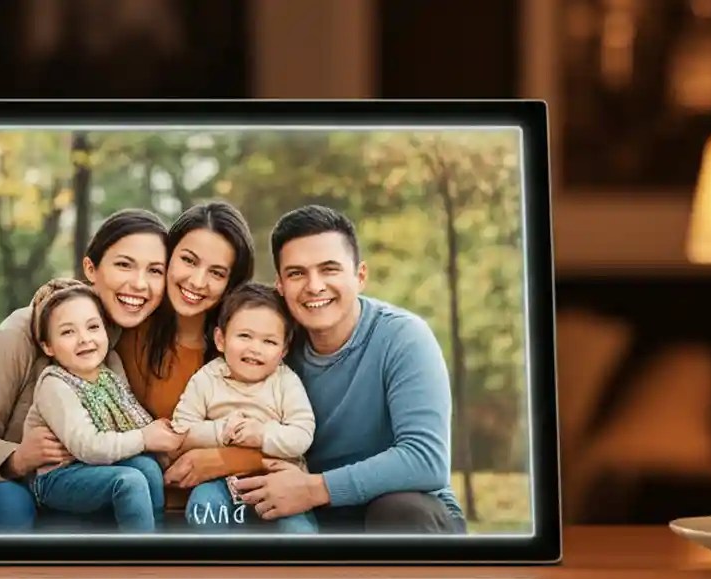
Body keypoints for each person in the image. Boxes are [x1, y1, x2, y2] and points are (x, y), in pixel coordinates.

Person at [232, 205, 467, 534]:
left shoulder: (403, 337)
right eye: (297, 273)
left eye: (329, 269)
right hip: (308, 514)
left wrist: (314, 489)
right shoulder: (271, 345)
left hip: (404, 517)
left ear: (360, 276)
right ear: (280, 286)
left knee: (399, 511)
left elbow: (425, 459)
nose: (314, 286)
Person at [0, 209, 170, 534]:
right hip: (3, 488)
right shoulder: (17, 334)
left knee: (140, 473)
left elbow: (131, 427)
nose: (139, 283)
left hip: (75, 482)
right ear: (91, 268)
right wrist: (18, 457)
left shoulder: (111, 352)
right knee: (10, 504)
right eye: (124, 264)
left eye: (154, 270)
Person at [115, 200, 260, 520]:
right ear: (167, 257)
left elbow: (284, 443)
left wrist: (219, 461)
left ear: (231, 284)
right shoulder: (128, 328)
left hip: (221, 507)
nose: (197, 281)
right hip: (136, 506)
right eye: (188, 260)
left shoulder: (247, 345)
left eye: (216, 273)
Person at [22, 281, 183, 532]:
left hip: (93, 466)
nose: (84, 339)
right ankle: (142, 561)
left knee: (149, 467)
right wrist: (144, 438)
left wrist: (160, 437)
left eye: (93, 327)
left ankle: (156, 537)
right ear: (47, 346)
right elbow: (89, 447)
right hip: (57, 478)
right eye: (68, 332)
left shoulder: (107, 374)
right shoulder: (54, 385)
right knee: (129, 481)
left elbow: (133, 417)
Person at [171, 282, 317, 533]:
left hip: (278, 480)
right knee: (202, 507)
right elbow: (180, 431)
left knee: (297, 530)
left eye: (269, 341)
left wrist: (263, 435)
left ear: (284, 350)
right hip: (219, 481)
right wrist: (220, 430)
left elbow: (302, 434)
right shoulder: (207, 378)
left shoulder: (285, 382)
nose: (255, 348)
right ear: (220, 339)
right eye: (244, 336)